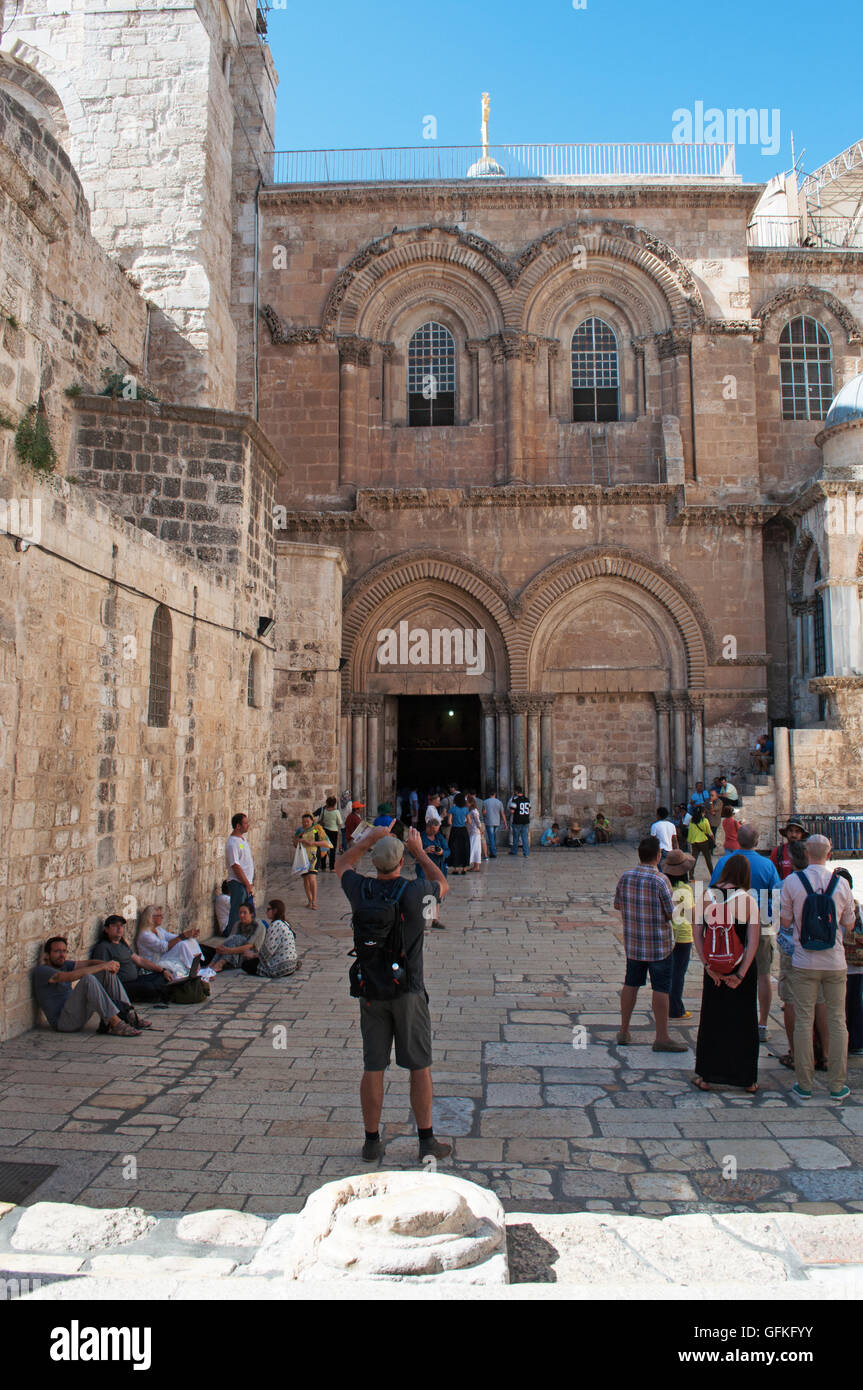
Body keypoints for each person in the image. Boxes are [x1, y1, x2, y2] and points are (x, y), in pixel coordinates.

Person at [336, 823, 452, 1164]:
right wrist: (421, 853)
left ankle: (372, 1142)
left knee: (373, 1066)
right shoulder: (416, 893)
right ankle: (426, 1141)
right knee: (420, 1066)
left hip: (371, 990)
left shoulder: (361, 890)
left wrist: (368, 840)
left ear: (375, 863)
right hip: (409, 991)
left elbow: (341, 866)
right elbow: (443, 884)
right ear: (401, 862)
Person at [779, 834, 856, 1101]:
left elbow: (786, 921)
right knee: (837, 1022)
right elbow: (848, 923)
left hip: (803, 960)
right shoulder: (842, 883)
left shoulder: (792, 882)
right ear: (829, 852)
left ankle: (805, 1084)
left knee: (803, 1020)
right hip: (834, 961)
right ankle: (837, 1084)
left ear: (806, 852)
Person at [692, 853, 760, 1094]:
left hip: (715, 969)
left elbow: (697, 934)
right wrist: (740, 974)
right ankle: (746, 1078)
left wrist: (708, 966)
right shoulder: (748, 900)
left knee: (713, 1021)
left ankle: (707, 1076)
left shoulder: (706, 896)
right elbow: (753, 942)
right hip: (740, 968)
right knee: (743, 1021)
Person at [614, 836, 688, 1053]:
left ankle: (624, 1030)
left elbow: (618, 904)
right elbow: (672, 913)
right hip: (658, 944)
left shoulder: (626, 877)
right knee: (661, 988)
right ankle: (662, 1037)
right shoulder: (660, 880)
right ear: (658, 856)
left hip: (635, 943)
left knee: (631, 983)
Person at [33, 936, 142, 1037]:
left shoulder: (64, 964)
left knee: (106, 972)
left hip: (76, 1013)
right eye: (57, 951)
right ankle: (115, 1024)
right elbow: (69, 976)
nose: (62, 955)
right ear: (47, 955)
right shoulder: (43, 971)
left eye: (64, 951)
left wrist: (109, 964)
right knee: (88, 979)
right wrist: (103, 966)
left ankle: (129, 1014)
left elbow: (88, 963)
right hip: (63, 1022)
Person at [91, 915, 171, 1015]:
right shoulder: (103, 947)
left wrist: (162, 970)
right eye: (115, 926)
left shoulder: (122, 944)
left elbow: (139, 960)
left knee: (161, 977)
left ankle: (162, 992)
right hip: (123, 985)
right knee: (149, 987)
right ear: (106, 929)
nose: (119, 928)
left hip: (135, 979)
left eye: (121, 926)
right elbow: (102, 972)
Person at [661, 848, 696, 1020]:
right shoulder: (685, 889)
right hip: (683, 935)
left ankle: (668, 1004)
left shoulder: (665, 887)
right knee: (679, 972)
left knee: (670, 970)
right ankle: (676, 1008)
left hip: (668, 933)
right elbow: (690, 912)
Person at [136, 905, 212, 980]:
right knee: (181, 944)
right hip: (154, 962)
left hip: (162, 956)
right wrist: (182, 936)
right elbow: (163, 947)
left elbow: (172, 937)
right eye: (159, 915)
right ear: (151, 917)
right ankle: (192, 967)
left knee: (189, 940)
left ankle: (196, 963)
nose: (162, 917)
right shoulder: (145, 935)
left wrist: (189, 935)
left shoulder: (158, 930)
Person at [835, 869, 863, 1056]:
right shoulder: (858, 907)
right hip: (858, 965)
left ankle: (843, 1043)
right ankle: (856, 1042)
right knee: (857, 1004)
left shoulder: (834, 905)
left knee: (840, 1007)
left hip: (840, 965)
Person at [237, 900, 300, 978]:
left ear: (275, 911)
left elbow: (267, 952)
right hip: (291, 964)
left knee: (246, 965)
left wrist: (253, 955)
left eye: (268, 909)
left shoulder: (275, 925)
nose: (266, 912)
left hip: (282, 966)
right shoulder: (285, 923)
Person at [210, 902, 268, 969]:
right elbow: (229, 941)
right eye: (240, 913)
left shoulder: (259, 926)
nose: (242, 915)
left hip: (249, 955)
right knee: (227, 943)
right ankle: (212, 963)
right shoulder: (237, 924)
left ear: (251, 914)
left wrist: (229, 950)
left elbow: (249, 946)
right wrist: (221, 948)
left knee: (239, 938)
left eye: (244, 913)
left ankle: (220, 963)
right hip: (233, 953)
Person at [294, 812, 332, 909]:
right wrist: (298, 841)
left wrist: (313, 842)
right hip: (303, 857)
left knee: (311, 877)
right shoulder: (300, 831)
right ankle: (309, 900)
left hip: (313, 856)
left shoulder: (317, 830)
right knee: (306, 879)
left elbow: (327, 843)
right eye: (303, 822)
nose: (305, 824)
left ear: (312, 821)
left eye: (307, 821)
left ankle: (314, 901)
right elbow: (295, 843)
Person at [225, 812, 255, 933]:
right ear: (238, 826)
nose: (248, 825)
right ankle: (232, 935)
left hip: (244, 883)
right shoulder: (232, 843)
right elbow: (235, 866)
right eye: (245, 823)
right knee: (237, 912)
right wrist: (247, 883)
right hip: (238, 883)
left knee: (244, 912)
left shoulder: (242, 840)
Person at [686, 804, 715, 878]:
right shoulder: (704, 820)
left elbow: (690, 831)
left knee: (694, 858)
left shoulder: (692, 821)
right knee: (708, 859)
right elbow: (709, 832)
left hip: (694, 842)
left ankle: (691, 876)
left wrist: (690, 840)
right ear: (702, 812)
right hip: (703, 841)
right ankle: (713, 875)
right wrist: (713, 839)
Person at [447, 792, 471, 873]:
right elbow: (469, 821)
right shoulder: (465, 809)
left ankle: (456, 868)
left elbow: (449, 822)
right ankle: (464, 868)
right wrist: (463, 822)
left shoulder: (453, 809)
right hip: (463, 830)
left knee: (454, 848)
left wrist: (455, 822)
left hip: (455, 830)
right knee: (464, 848)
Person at [320, 796, 344, 871]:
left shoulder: (324, 811)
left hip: (325, 831)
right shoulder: (336, 812)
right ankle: (332, 867)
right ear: (334, 803)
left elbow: (321, 820)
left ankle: (323, 866)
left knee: (324, 848)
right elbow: (340, 823)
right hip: (333, 831)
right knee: (332, 849)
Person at [482, 789, 506, 859]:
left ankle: (493, 852)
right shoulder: (499, 802)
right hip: (497, 822)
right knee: (493, 837)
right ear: (495, 794)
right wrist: (505, 823)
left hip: (489, 822)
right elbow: (502, 813)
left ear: (489, 794)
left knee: (491, 838)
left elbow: (484, 812)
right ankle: (493, 851)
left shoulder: (485, 802)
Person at [466, 794, 484, 870]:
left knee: (474, 848)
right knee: (476, 848)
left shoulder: (474, 811)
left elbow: (477, 821)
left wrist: (480, 829)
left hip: (475, 832)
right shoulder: (471, 810)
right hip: (472, 831)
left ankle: (476, 865)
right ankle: (476, 866)